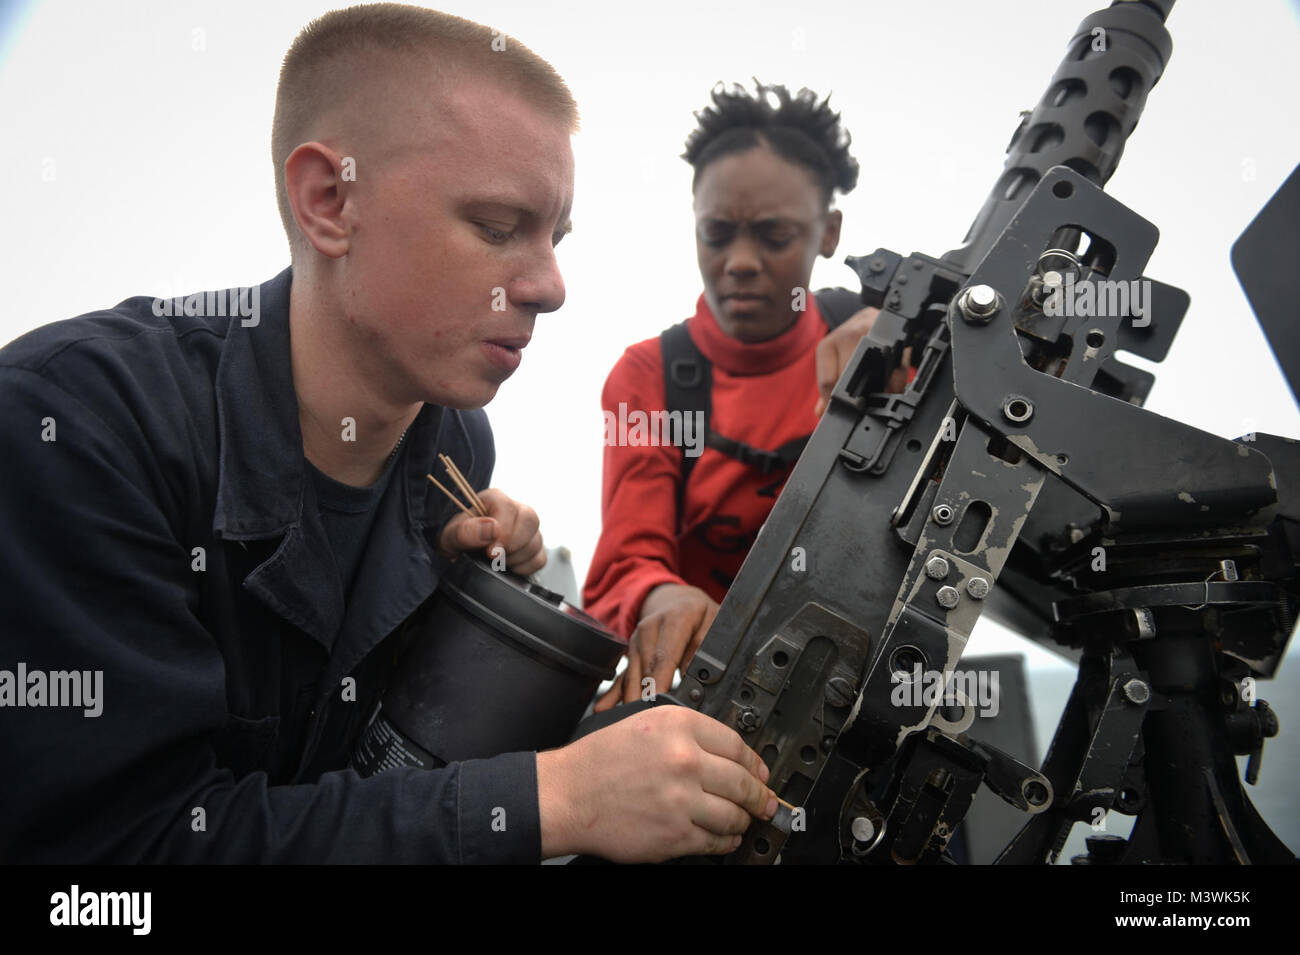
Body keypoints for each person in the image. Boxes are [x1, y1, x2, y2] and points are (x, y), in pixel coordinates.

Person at [0, 3, 776, 864]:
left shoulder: (455, 447)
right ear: (329, 201)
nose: (551, 286)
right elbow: (114, 865)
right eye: (497, 227)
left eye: (554, 237)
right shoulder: (77, 428)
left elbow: (371, 768)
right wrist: (558, 798)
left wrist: (477, 605)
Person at [584, 82, 905, 708]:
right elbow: (627, 561)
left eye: (773, 236)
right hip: (709, 695)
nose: (739, 262)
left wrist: (909, 341)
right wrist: (665, 598)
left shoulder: (884, 345)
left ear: (829, 233)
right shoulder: (651, 376)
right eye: (717, 233)